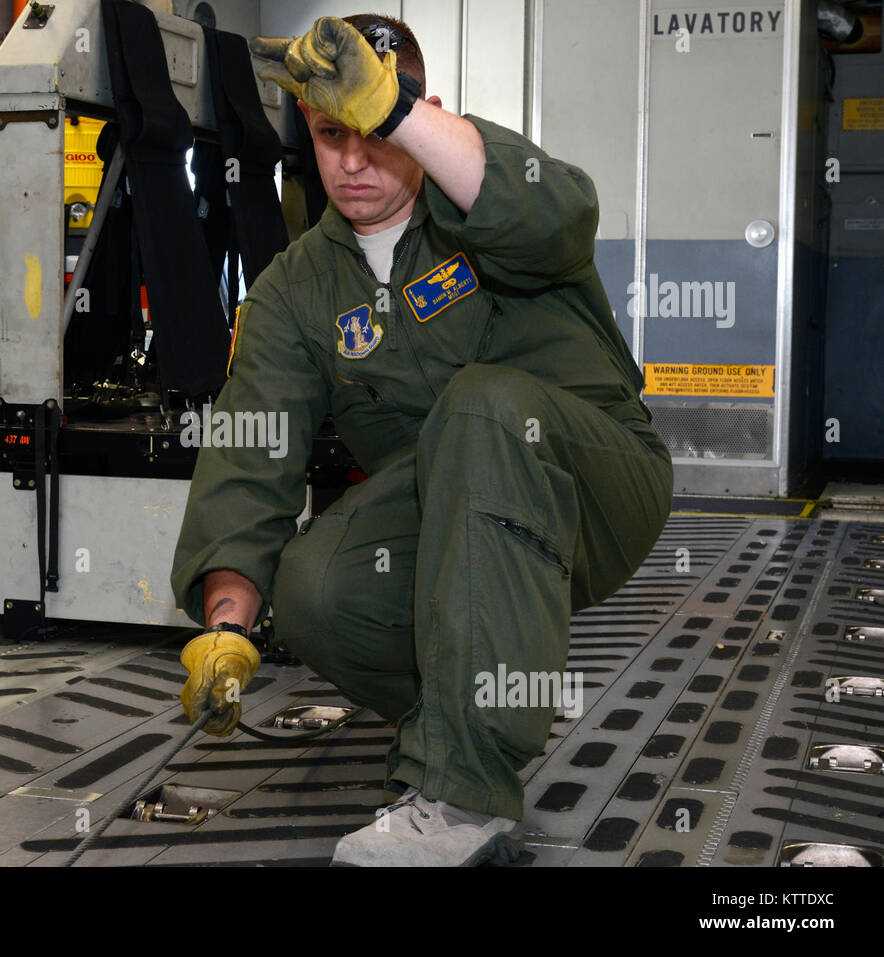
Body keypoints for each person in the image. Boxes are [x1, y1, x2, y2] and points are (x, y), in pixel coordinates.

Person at [170, 13, 673, 866]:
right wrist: (228, 627)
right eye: (331, 135)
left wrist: (394, 112)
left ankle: (461, 791)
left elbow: (560, 213)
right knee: (314, 587)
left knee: (482, 409)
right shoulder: (297, 289)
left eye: (377, 131)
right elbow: (251, 455)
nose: (354, 161)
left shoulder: (484, 207)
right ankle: (462, 717)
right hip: (452, 526)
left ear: (423, 113)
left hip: (596, 483)